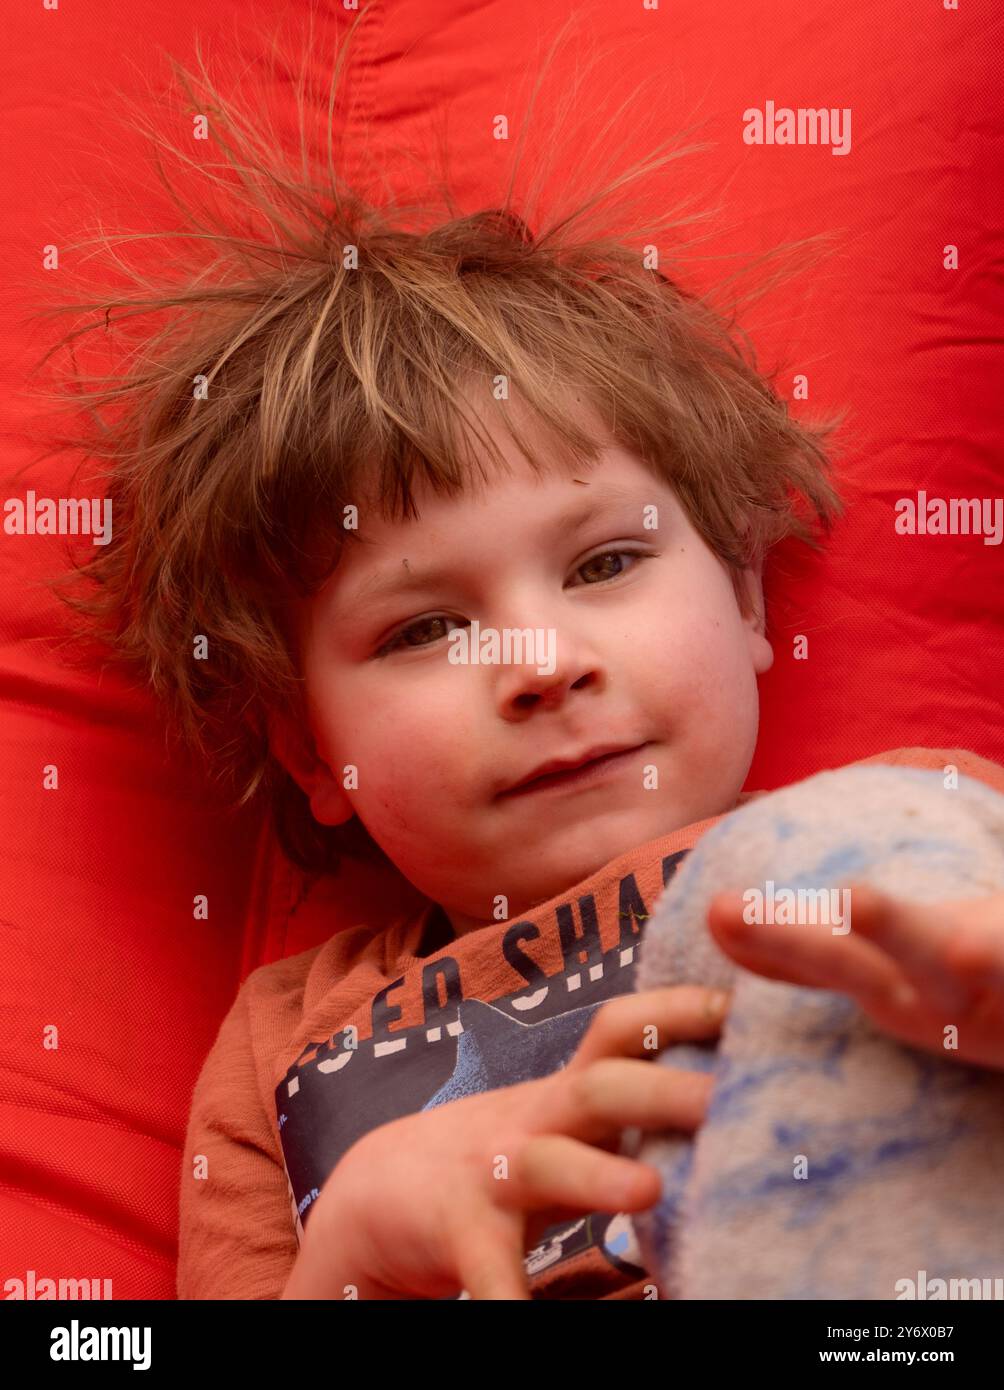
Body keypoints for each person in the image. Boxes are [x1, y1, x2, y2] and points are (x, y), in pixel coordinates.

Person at [33, 27, 1004, 1301]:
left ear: (746, 596)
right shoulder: (287, 1043)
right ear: (308, 746)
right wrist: (347, 1257)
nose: (539, 663)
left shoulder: (903, 821)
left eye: (603, 564)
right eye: (421, 630)